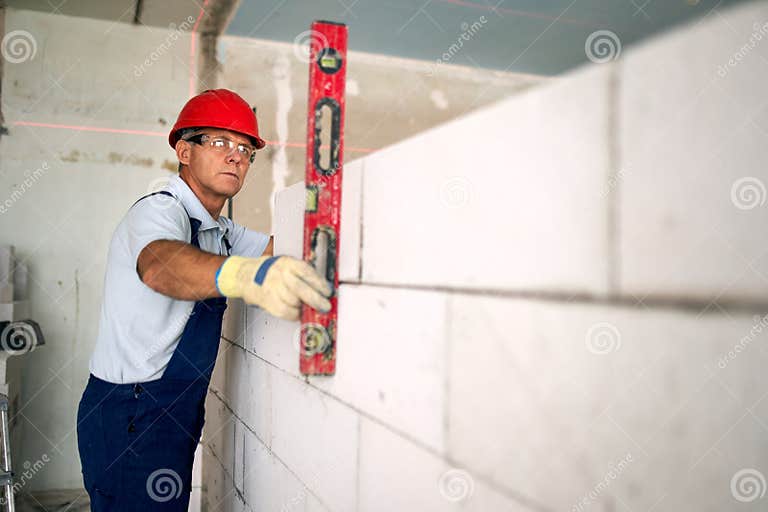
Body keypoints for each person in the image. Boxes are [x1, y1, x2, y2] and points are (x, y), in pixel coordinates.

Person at [76, 89, 331, 511]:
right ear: (184, 150)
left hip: (175, 412)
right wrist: (245, 275)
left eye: (246, 149)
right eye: (220, 143)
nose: (236, 156)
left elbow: (280, 249)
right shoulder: (160, 210)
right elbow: (160, 264)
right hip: (128, 415)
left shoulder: (222, 230)